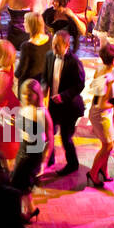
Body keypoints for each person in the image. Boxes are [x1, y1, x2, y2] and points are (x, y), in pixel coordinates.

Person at [43, 30, 85, 178]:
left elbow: (80, 85)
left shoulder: (74, 62)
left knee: (66, 138)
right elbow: (45, 77)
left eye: (57, 45)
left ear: (67, 45)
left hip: (69, 107)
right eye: (53, 44)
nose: (53, 48)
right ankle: (50, 159)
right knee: (49, 133)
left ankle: (73, 164)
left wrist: (63, 96)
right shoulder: (49, 56)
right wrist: (43, 89)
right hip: (53, 105)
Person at [11, 79, 53, 221]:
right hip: (23, 148)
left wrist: (44, 161)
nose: (27, 97)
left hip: (32, 153)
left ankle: (23, 212)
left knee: (17, 183)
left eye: (30, 94)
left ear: (37, 94)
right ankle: (30, 210)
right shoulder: (23, 108)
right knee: (22, 184)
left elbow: (49, 139)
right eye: (24, 94)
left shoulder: (41, 112)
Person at [86, 42, 114, 188]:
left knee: (110, 143)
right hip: (101, 114)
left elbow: (96, 88)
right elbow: (102, 103)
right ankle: (93, 173)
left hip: (100, 112)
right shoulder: (109, 77)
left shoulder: (101, 70)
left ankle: (104, 171)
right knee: (107, 145)